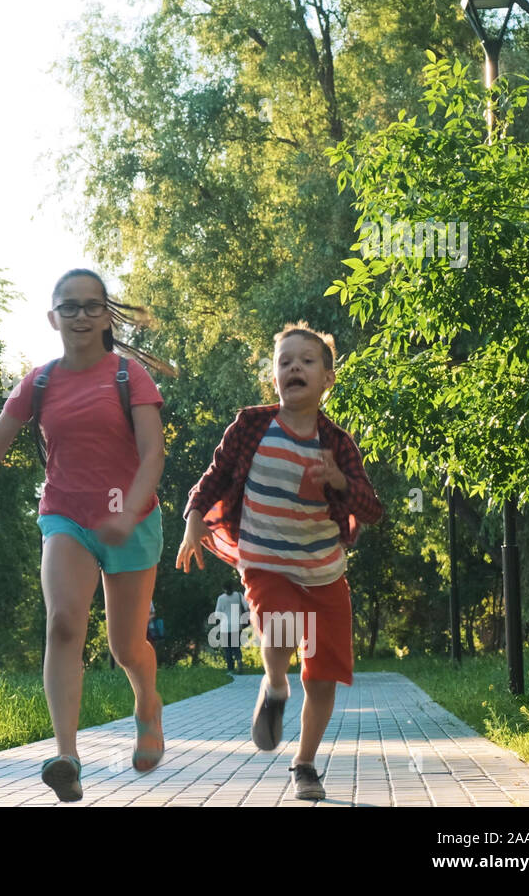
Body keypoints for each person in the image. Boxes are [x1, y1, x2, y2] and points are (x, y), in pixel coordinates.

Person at [0, 268, 175, 802]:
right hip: (64, 517)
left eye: (91, 306)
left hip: (133, 521)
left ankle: (147, 704)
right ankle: (66, 756)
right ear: (53, 318)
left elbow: (153, 454)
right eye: (68, 307)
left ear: (104, 315)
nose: (80, 315)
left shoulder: (129, 377)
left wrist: (129, 510)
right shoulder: (39, 381)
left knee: (125, 646)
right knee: (64, 623)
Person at [175, 322, 383, 801]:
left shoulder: (337, 444)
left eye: (307, 361)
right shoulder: (251, 424)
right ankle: (273, 686)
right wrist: (193, 518)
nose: (295, 367)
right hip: (265, 558)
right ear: (274, 377)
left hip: (325, 571)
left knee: (325, 679)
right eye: (285, 361)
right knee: (281, 626)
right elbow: (214, 475)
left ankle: (305, 765)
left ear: (327, 379)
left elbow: (373, 511)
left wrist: (340, 484)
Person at [214, 582, 247, 673]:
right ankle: (239, 661)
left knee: (227, 648)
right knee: (236, 646)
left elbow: (217, 613)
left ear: (223, 589)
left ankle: (230, 668)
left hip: (225, 627)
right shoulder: (239, 595)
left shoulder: (221, 598)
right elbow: (247, 607)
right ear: (233, 587)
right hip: (237, 625)